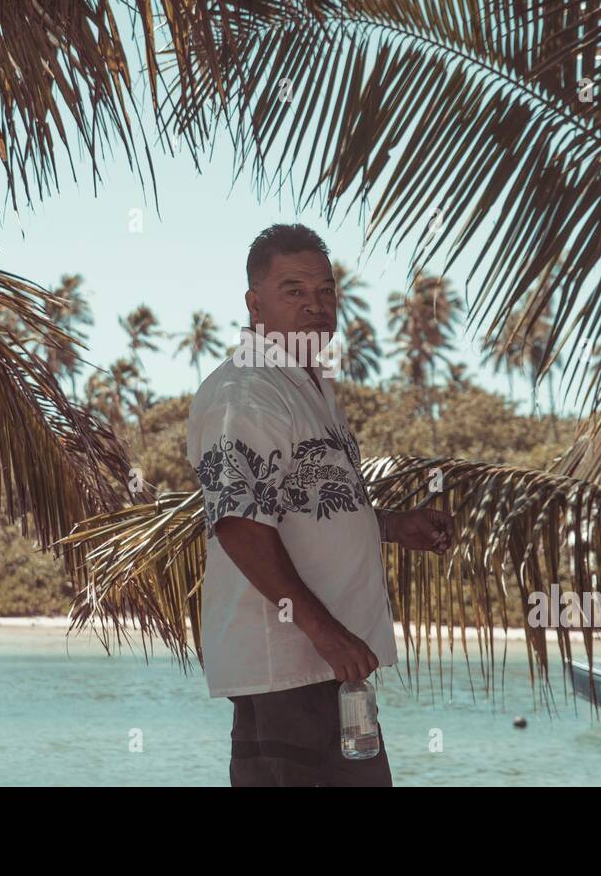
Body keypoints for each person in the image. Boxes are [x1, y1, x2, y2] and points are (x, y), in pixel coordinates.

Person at [186, 223, 452, 786]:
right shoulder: (246, 390)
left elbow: (307, 506)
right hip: (287, 667)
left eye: (326, 291)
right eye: (294, 291)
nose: (316, 306)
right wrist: (324, 632)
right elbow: (238, 523)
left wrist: (392, 525)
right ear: (254, 304)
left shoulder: (310, 386)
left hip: (330, 671)